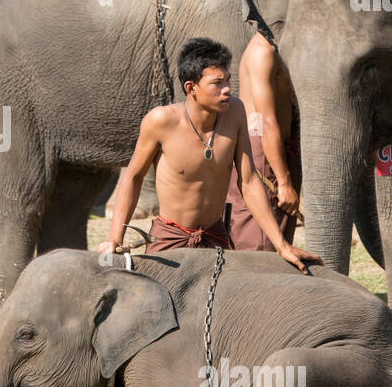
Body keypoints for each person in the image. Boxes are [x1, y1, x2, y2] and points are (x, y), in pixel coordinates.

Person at [97, 38, 322, 275]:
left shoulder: (235, 112)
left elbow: (248, 181)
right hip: (169, 240)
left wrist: (281, 244)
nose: (226, 89)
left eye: (228, 80)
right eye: (217, 83)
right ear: (190, 88)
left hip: (215, 237)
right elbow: (133, 177)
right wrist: (115, 237)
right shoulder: (160, 121)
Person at [226, 32, 301, 251]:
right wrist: (284, 181)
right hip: (264, 154)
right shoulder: (263, 52)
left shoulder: (281, 48)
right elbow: (266, 122)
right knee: (261, 239)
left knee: (281, 234)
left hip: (279, 149)